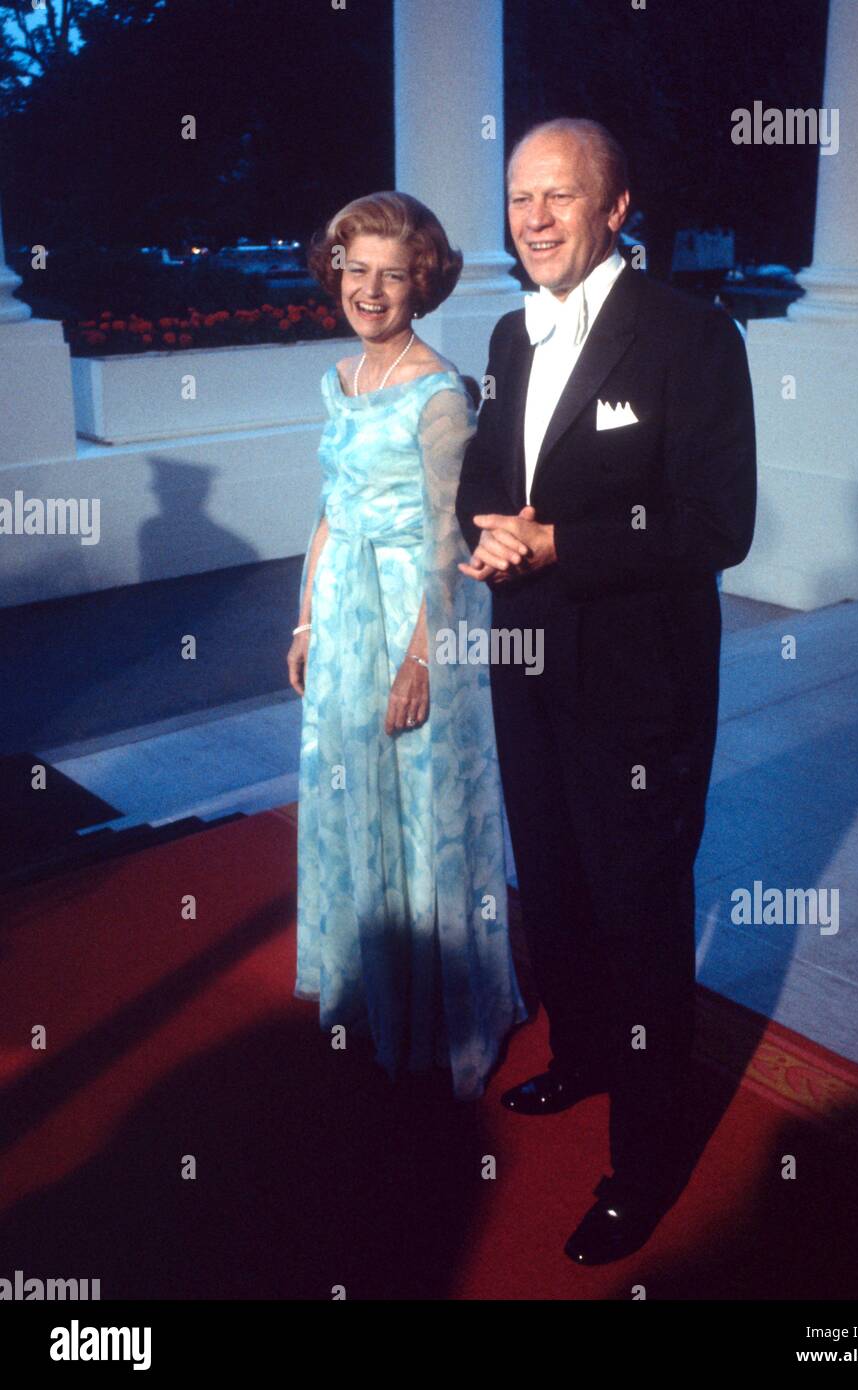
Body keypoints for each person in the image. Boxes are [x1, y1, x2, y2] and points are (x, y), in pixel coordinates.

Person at [456, 119, 756, 1262]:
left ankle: (646, 1160)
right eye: (519, 196)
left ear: (617, 206)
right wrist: (482, 535)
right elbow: (491, 475)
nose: (532, 218)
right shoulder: (506, 332)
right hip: (525, 663)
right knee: (558, 882)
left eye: (558, 197)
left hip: (640, 687)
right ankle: (580, 1056)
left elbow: (716, 524)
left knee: (638, 915)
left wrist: (561, 547)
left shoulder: (692, 335)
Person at [290, 191, 526, 1103]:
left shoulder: (439, 393)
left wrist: (421, 660)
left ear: (422, 282)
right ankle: (370, 989)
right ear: (336, 272)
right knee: (349, 787)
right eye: (357, 270)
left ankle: (442, 1015)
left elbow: (446, 542)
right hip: (343, 611)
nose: (371, 290)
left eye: (393, 274)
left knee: (419, 799)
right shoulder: (341, 379)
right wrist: (304, 619)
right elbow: (326, 510)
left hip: (411, 619)